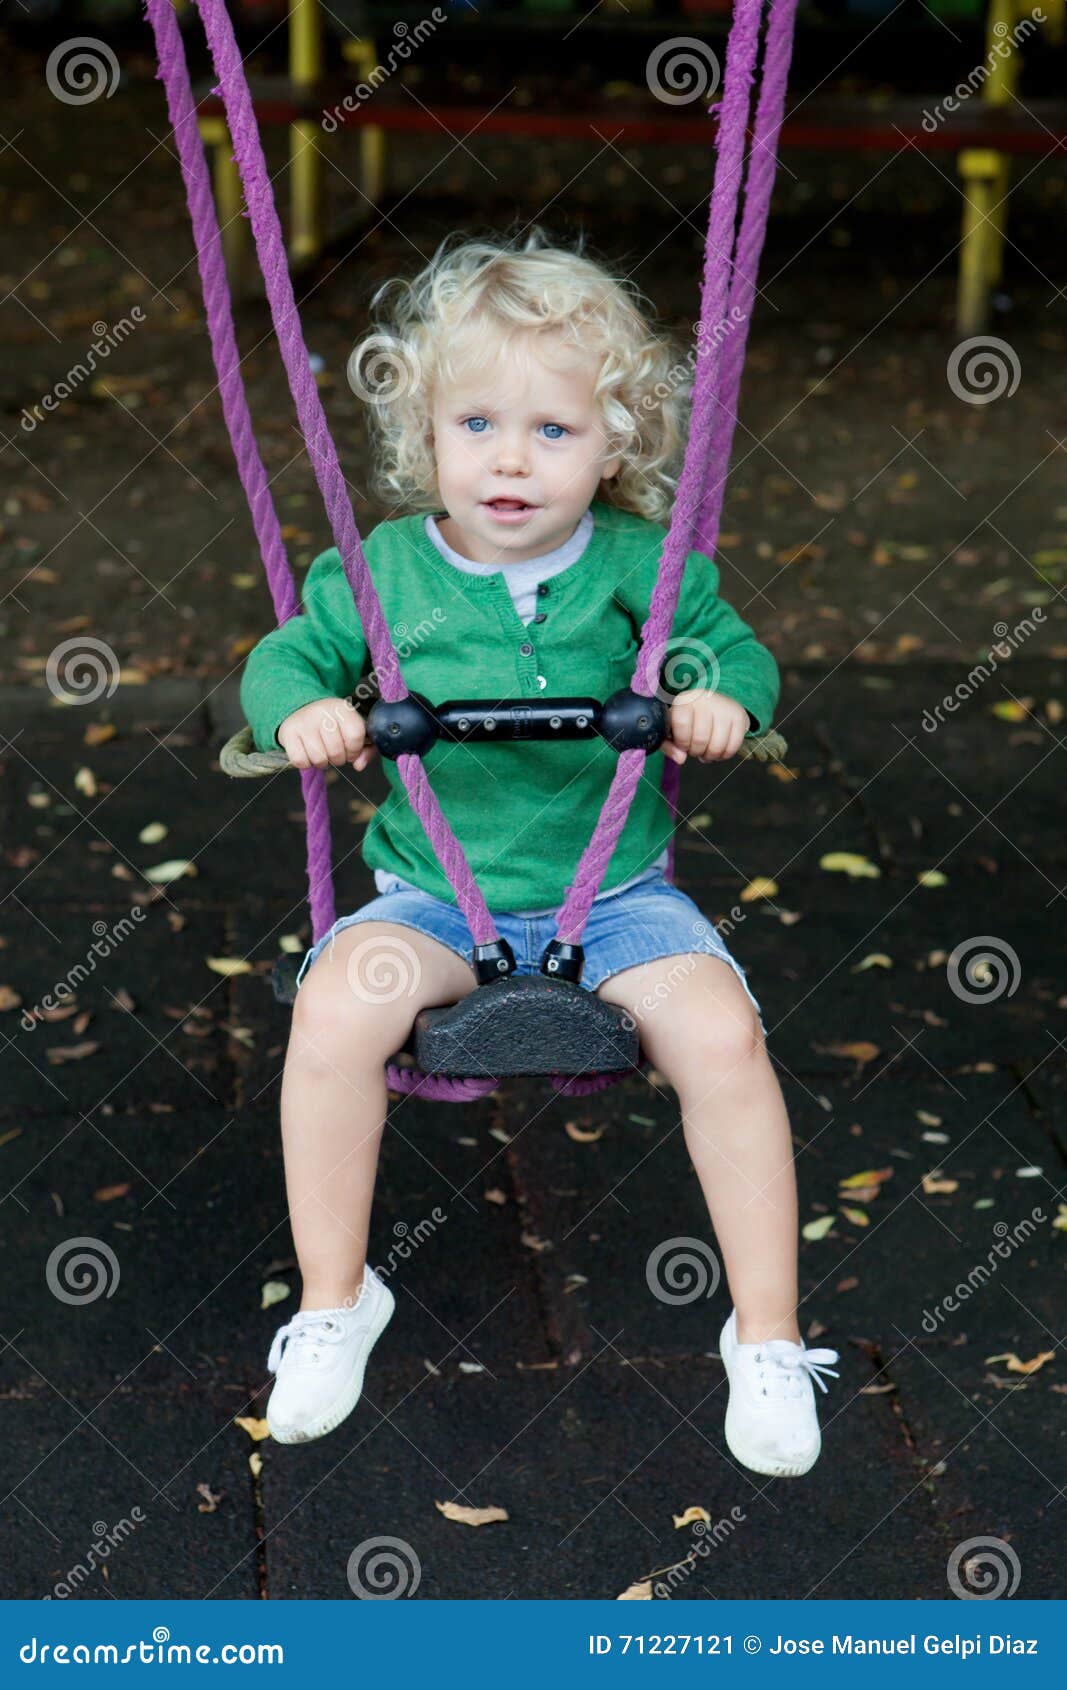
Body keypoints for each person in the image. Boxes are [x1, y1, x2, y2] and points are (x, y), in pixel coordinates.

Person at [239, 227, 839, 1471]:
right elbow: (288, 657)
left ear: (613, 444)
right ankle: (336, 1301)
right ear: (425, 437)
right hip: (434, 903)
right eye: (476, 425)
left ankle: (768, 1335)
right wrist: (303, 710)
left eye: (552, 430)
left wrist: (716, 698)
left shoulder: (641, 570)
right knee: (336, 1010)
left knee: (722, 1036)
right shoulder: (381, 571)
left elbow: (729, 653)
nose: (509, 459)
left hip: (612, 900)